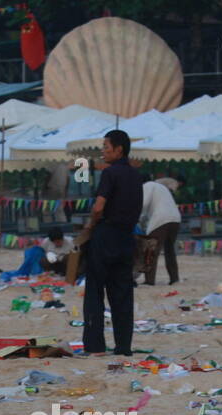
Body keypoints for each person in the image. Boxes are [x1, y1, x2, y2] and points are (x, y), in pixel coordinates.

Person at [80, 129, 142, 356]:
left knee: (95, 289)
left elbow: (98, 207)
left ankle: (95, 346)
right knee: (123, 293)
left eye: (106, 147)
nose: (103, 151)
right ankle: (123, 346)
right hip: (126, 237)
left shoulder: (110, 173)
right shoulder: (136, 175)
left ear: (119, 149)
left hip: (106, 235)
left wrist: (90, 225)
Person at [136, 179, 181, 286]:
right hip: (175, 219)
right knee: (170, 251)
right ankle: (174, 278)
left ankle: (149, 281)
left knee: (150, 250)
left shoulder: (147, 186)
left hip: (161, 219)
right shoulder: (162, 187)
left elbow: (143, 204)